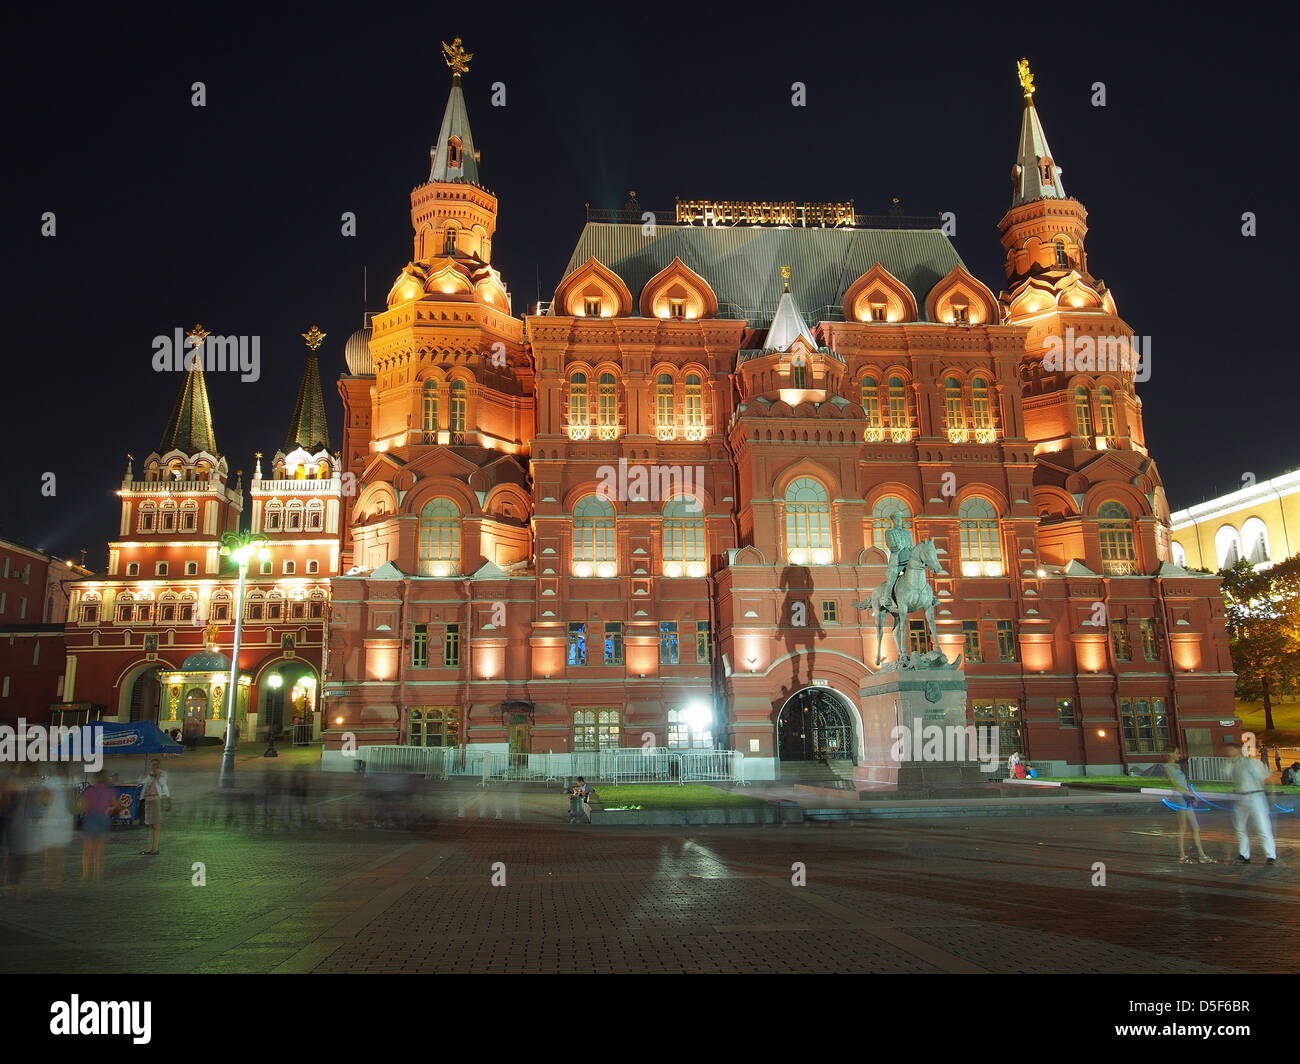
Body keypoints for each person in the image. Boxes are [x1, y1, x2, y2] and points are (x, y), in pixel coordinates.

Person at [1226, 741, 1276, 864]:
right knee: (1240, 827)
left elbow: (1266, 777)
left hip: (1255, 796)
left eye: (1231, 750)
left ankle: (1271, 856)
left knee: (1262, 826)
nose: (1229, 753)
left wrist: (1272, 792)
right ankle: (1244, 855)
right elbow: (1228, 774)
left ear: (1238, 750)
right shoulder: (1232, 764)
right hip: (1241, 797)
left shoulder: (1251, 763)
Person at [1161, 750, 1213, 864]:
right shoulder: (1167, 767)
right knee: (1182, 828)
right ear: (1170, 754)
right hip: (1180, 797)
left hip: (1186, 796)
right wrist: (1186, 793)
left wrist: (1192, 793)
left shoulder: (1178, 766)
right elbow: (1174, 783)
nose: (1178, 755)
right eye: (1176, 752)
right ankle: (1182, 856)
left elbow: (1185, 781)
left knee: (1195, 827)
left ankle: (1202, 855)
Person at [80, 770, 116, 885]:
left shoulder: (89, 790)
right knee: (98, 852)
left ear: (95, 778)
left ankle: (85, 876)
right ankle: (97, 876)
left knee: (87, 852)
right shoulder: (110, 791)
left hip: (90, 820)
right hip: (103, 820)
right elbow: (116, 805)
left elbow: (84, 806)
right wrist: (108, 811)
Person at [138, 758, 171, 855]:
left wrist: (157, 776)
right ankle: (150, 848)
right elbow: (142, 782)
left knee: (156, 825)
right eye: (152, 764)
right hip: (148, 800)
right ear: (150, 765)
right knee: (151, 825)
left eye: (156, 764)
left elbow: (163, 785)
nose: (154, 766)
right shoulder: (149, 775)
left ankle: (155, 848)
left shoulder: (162, 774)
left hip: (156, 800)